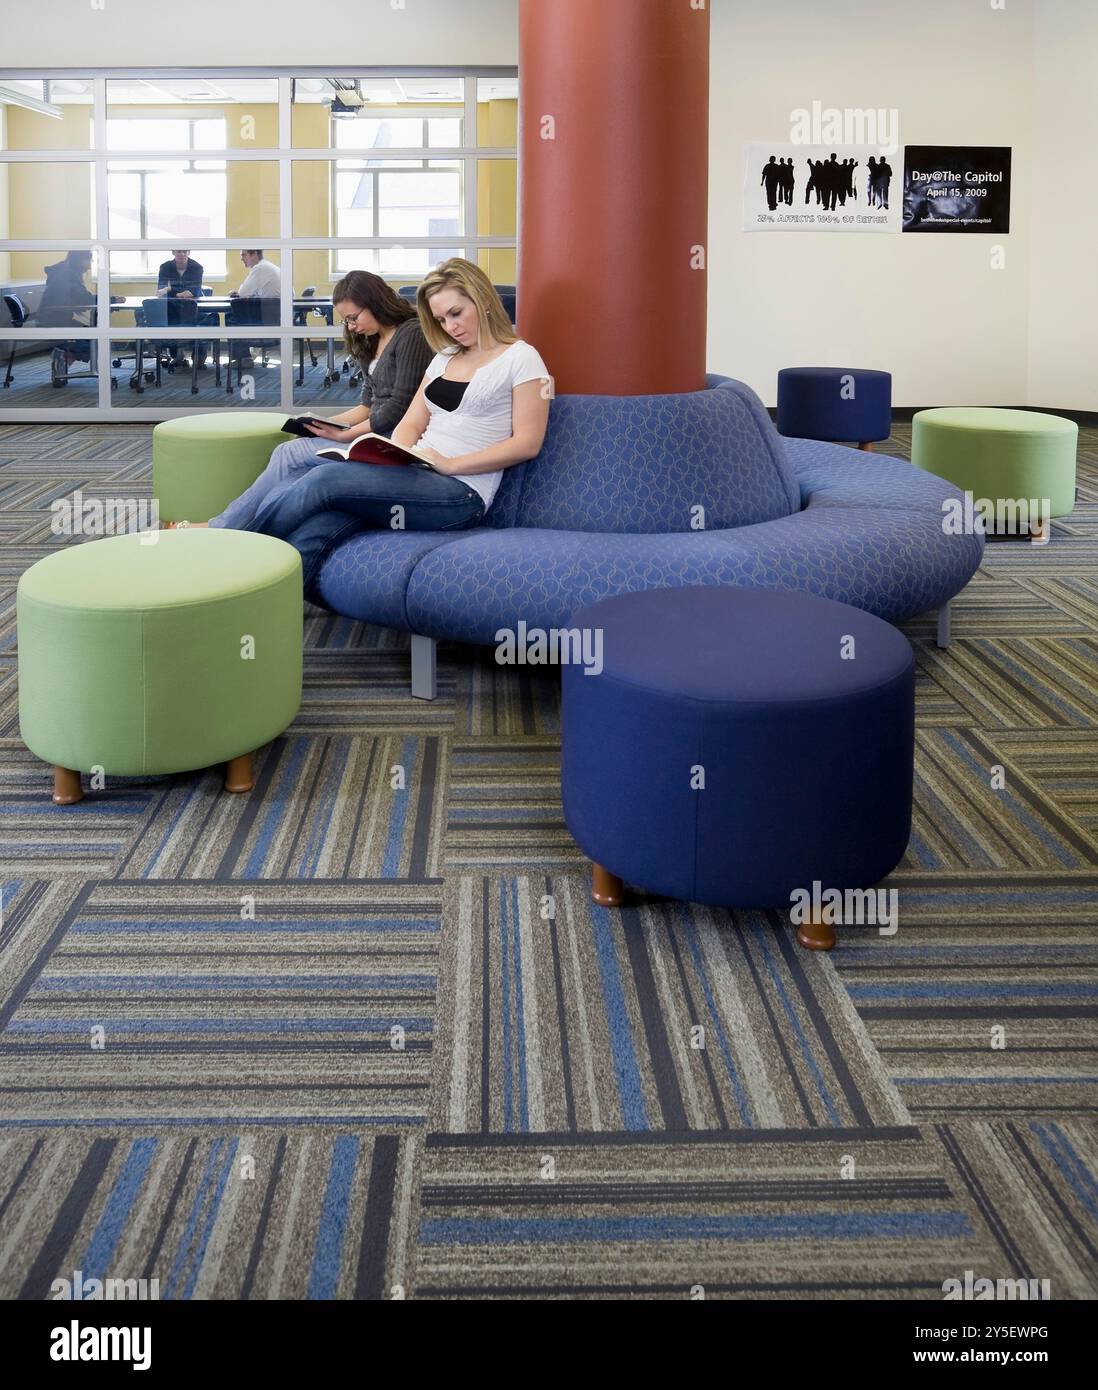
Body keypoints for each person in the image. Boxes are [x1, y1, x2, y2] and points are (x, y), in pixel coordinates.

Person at [230, 258, 551, 597]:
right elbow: (411, 421)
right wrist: (399, 452)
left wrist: (449, 464)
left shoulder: (521, 357)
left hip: (461, 492)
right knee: (318, 529)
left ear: (483, 300)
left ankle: (232, 553)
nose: (451, 326)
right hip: (418, 473)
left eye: (456, 313)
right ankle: (262, 609)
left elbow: (527, 444)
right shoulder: (445, 357)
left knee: (323, 479)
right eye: (442, 319)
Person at [208, 270, 433, 529]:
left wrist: (346, 435)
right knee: (294, 462)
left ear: (375, 303)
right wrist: (323, 425)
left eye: (353, 317)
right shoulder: (371, 339)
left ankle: (221, 527)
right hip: (374, 430)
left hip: (393, 438)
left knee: (287, 453)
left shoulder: (410, 334)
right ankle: (240, 528)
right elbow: (367, 405)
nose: (351, 326)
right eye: (346, 321)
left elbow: (398, 406)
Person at [38, 250, 123, 383]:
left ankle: (63, 361)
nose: (91, 263)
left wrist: (108, 299)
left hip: (55, 318)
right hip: (55, 321)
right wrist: (110, 299)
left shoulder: (64, 272)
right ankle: (64, 357)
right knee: (95, 341)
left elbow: (79, 299)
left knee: (93, 339)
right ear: (81, 260)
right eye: (90, 260)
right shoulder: (66, 275)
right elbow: (84, 299)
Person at [228, 250, 282, 372]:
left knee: (231, 315)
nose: (242, 259)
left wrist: (238, 293)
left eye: (244, 255)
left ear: (255, 255)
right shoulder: (268, 266)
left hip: (268, 317)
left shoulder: (260, 268)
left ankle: (243, 358)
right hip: (277, 314)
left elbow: (243, 293)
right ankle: (245, 357)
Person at [156, 250, 208, 369]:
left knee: (199, 319)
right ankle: (177, 355)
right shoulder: (165, 267)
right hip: (172, 304)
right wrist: (164, 291)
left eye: (185, 252)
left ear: (189, 253)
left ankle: (198, 356)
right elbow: (162, 287)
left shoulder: (197, 267)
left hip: (192, 303)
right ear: (173, 253)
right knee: (169, 315)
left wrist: (188, 292)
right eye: (179, 252)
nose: (182, 254)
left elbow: (196, 288)